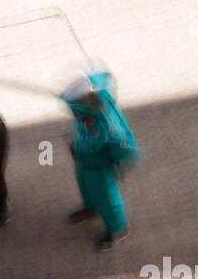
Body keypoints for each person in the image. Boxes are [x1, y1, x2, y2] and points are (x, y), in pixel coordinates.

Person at [60, 71, 139, 251]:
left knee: (107, 198)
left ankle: (117, 228)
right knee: (86, 187)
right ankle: (91, 208)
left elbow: (122, 146)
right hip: (85, 159)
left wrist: (121, 166)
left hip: (100, 165)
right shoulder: (87, 109)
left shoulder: (108, 125)